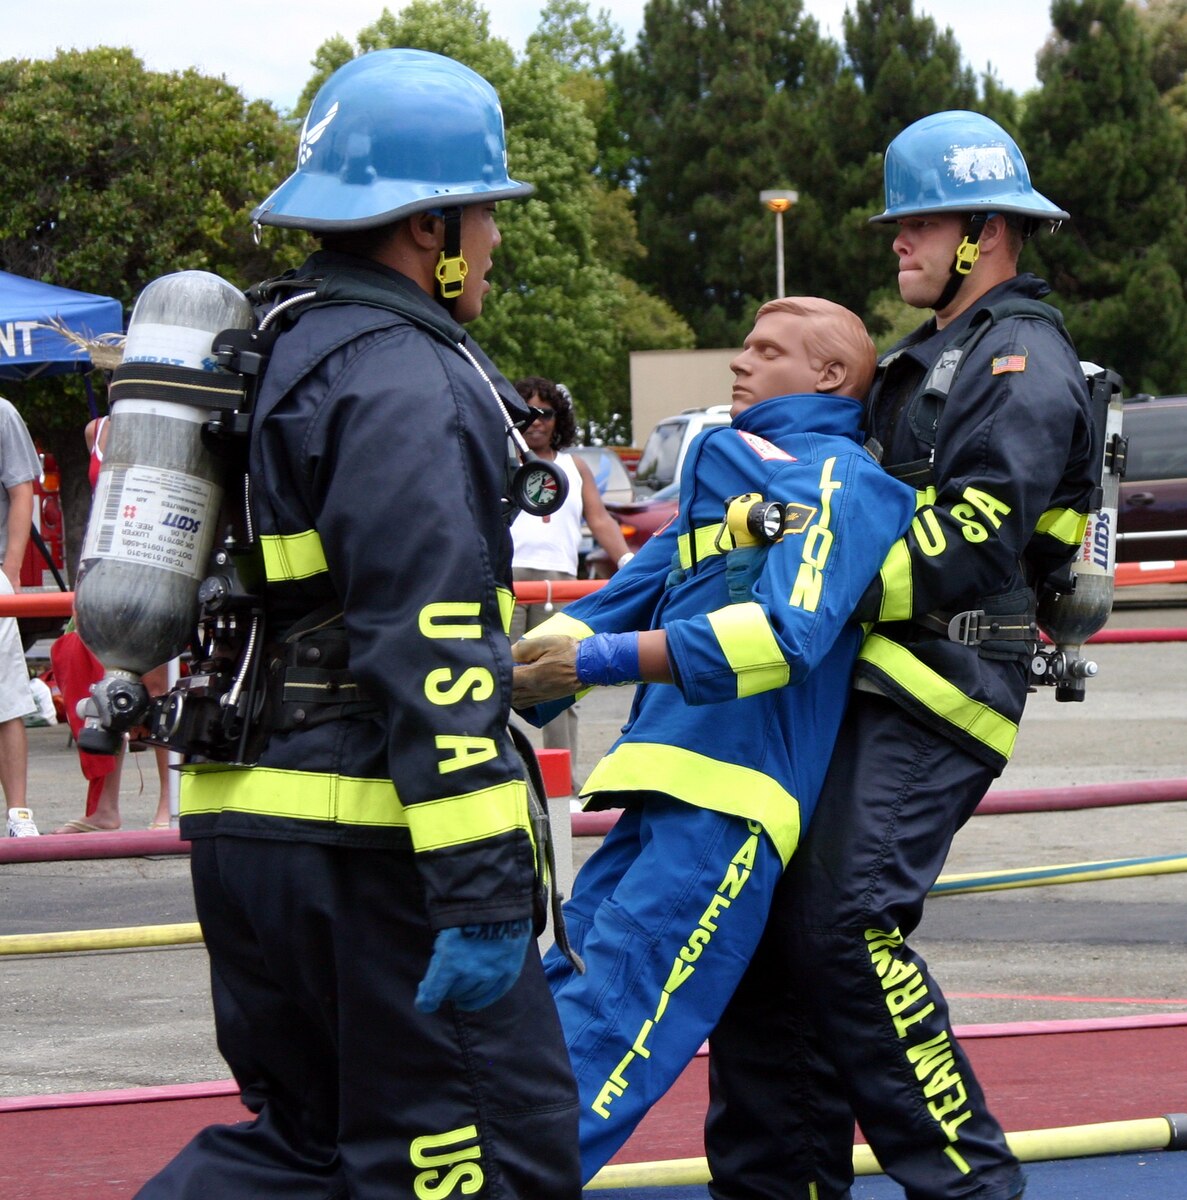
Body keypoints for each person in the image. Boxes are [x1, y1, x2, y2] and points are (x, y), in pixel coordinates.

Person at [135, 50, 580, 1199]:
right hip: (373, 850)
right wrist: (484, 893)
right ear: (427, 228)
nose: (492, 243)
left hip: (251, 828)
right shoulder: (405, 376)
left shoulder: (281, 348)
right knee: (489, 1156)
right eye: (482, 216)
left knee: (305, 1159)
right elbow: (425, 632)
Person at [705, 112, 1097, 1200]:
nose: (895, 241)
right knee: (764, 935)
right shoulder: (935, 359)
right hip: (860, 690)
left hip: (937, 694)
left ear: (983, 230)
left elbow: (973, 537)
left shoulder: (1019, 359)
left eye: (916, 221)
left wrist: (806, 591)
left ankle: (966, 1187)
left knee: (839, 927)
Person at [511, 296, 918, 1181]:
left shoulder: (843, 479)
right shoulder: (720, 478)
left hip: (733, 801)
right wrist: (467, 680)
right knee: (557, 1010)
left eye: (765, 350)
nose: (739, 363)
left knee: (607, 1032)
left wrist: (598, 663)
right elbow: (604, 613)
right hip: (659, 793)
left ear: (830, 376)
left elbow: (784, 634)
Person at [51, 412, 172, 833]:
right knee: (106, 685)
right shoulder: (96, 430)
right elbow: (100, 508)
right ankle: (106, 809)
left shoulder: (166, 416)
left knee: (158, 688)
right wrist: (85, 577)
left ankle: (167, 804)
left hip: (158, 557)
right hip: (110, 561)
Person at [510, 375, 633, 775]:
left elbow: (599, 520)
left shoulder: (574, 466)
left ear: (557, 419)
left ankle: (562, 780)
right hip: (507, 585)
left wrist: (627, 561)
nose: (536, 421)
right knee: (499, 683)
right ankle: (506, 771)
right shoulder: (502, 460)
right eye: (527, 413)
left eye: (544, 413)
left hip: (559, 587)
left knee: (557, 684)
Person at [0, 395, 42, 837]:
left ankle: (19, 814)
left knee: (7, 699)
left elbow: (22, 491)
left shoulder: (1, 412)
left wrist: (9, 572)